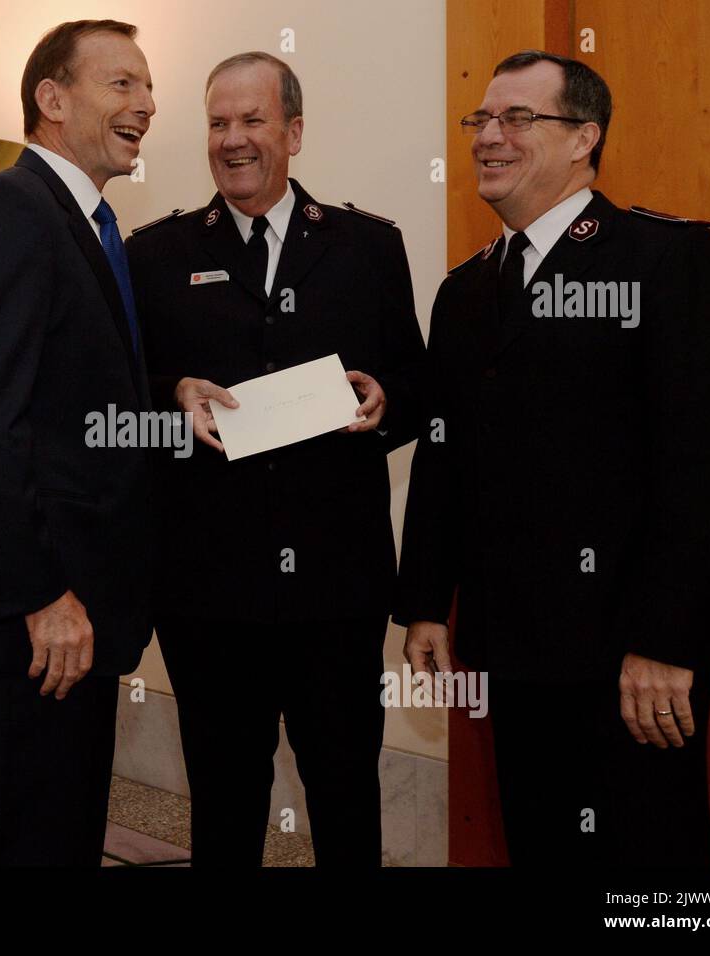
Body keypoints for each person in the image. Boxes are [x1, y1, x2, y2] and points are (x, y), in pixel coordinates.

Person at [394, 50, 710, 866]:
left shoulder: (667, 261)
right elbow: (446, 458)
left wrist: (664, 640)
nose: (489, 136)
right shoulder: (468, 290)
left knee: (649, 868)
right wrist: (425, 600)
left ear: (583, 138)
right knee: (545, 845)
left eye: (517, 118)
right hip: (515, 647)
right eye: (480, 120)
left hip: (635, 655)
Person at [126, 52, 425, 866]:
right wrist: (170, 398)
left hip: (337, 587)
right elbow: (112, 406)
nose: (232, 140)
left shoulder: (368, 247)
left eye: (252, 121)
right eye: (218, 123)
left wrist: (384, 400)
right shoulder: (154, 256)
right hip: (207, 592)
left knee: (344, 799)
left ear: (293, 131)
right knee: (222, 805)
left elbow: (417, 386)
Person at [0, 19, 158, 866]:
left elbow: (71, 408)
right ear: (52, 100)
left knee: (59, 840)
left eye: (147, 86)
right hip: (29, 615)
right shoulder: (6, 211)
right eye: (121, 83)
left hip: (71, 614)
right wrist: (41, 594)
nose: (146, 104)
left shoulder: (86, 223)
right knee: (25, 847)